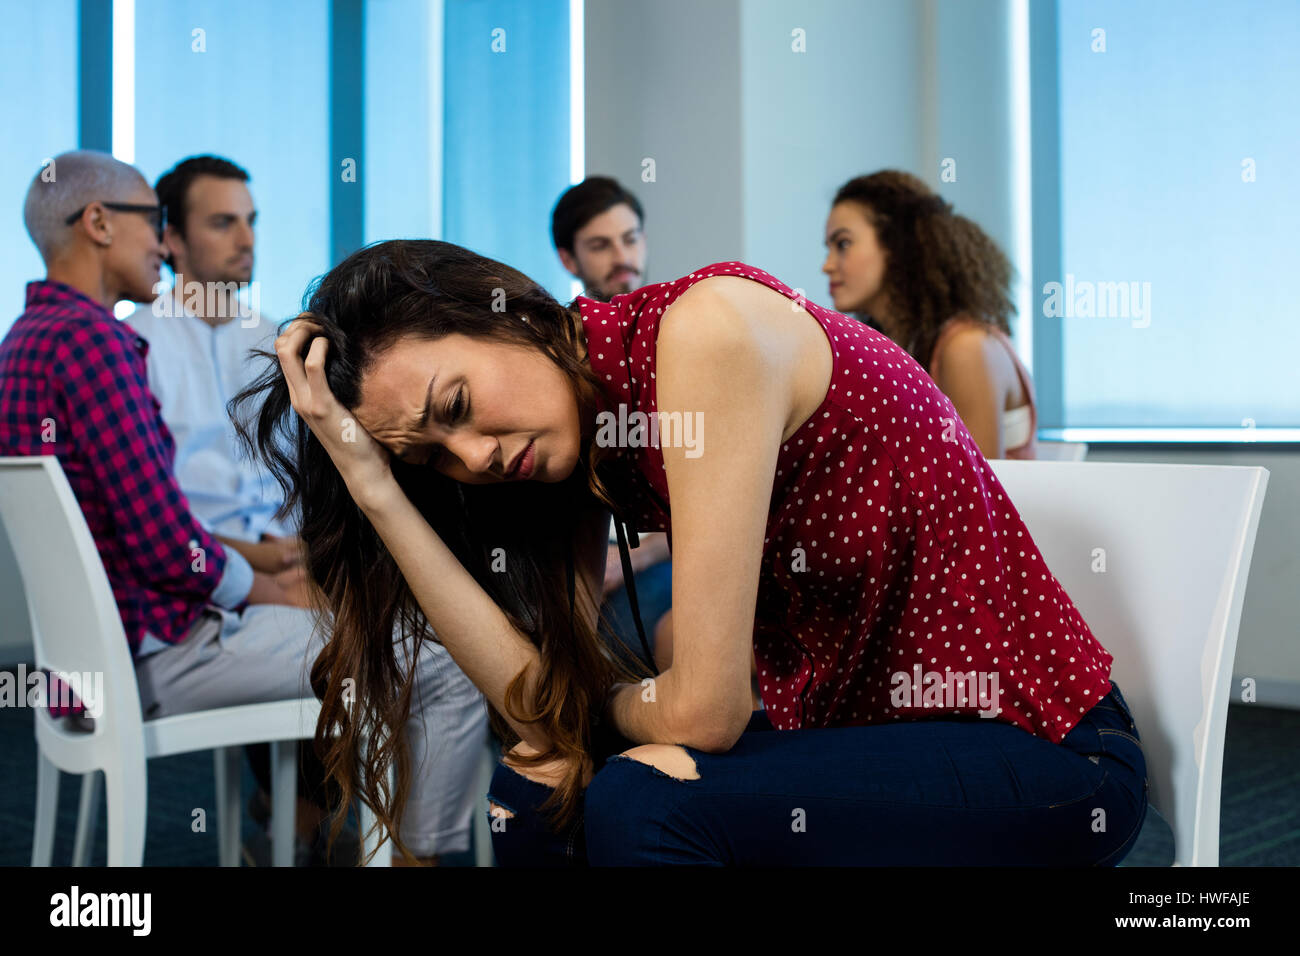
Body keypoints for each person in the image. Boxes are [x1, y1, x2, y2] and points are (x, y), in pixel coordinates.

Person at [236, 238, 1147, 866]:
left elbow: (705, 711)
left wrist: (613, 709)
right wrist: (376, 486)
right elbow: (541, 715)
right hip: (860, 743)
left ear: (503, 313)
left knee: (642, 799)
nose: (470, 457)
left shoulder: (704, 335)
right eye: (433, 456)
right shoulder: (588, 437)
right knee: (532, 795)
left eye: (456, 406)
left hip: (1042, 756)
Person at [0, 151, 484, 865]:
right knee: (443, 655)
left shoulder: (27, 338)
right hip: (166, 641)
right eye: (151, 223)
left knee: (350, 613)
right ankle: (414, 857)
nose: (158, 241)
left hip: (112, 650)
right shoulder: (99, 344)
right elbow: (167, 543)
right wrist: (265, 585)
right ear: (98, 223)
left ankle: (302, 825)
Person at [823, 170, 1039, 459]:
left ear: (897, 245)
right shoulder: (895, 348)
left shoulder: (966, 347)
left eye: (843, 244)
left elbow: (973, 498)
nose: (827, 265)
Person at [551, 176, 671, 669]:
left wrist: (633, 557)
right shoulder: (560, 358)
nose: (622, 256)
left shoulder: (678, 339)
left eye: (631, 238)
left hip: (665, 561)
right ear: (569, 259)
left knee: (621, 639)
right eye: (601, 245)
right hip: (576, 561)